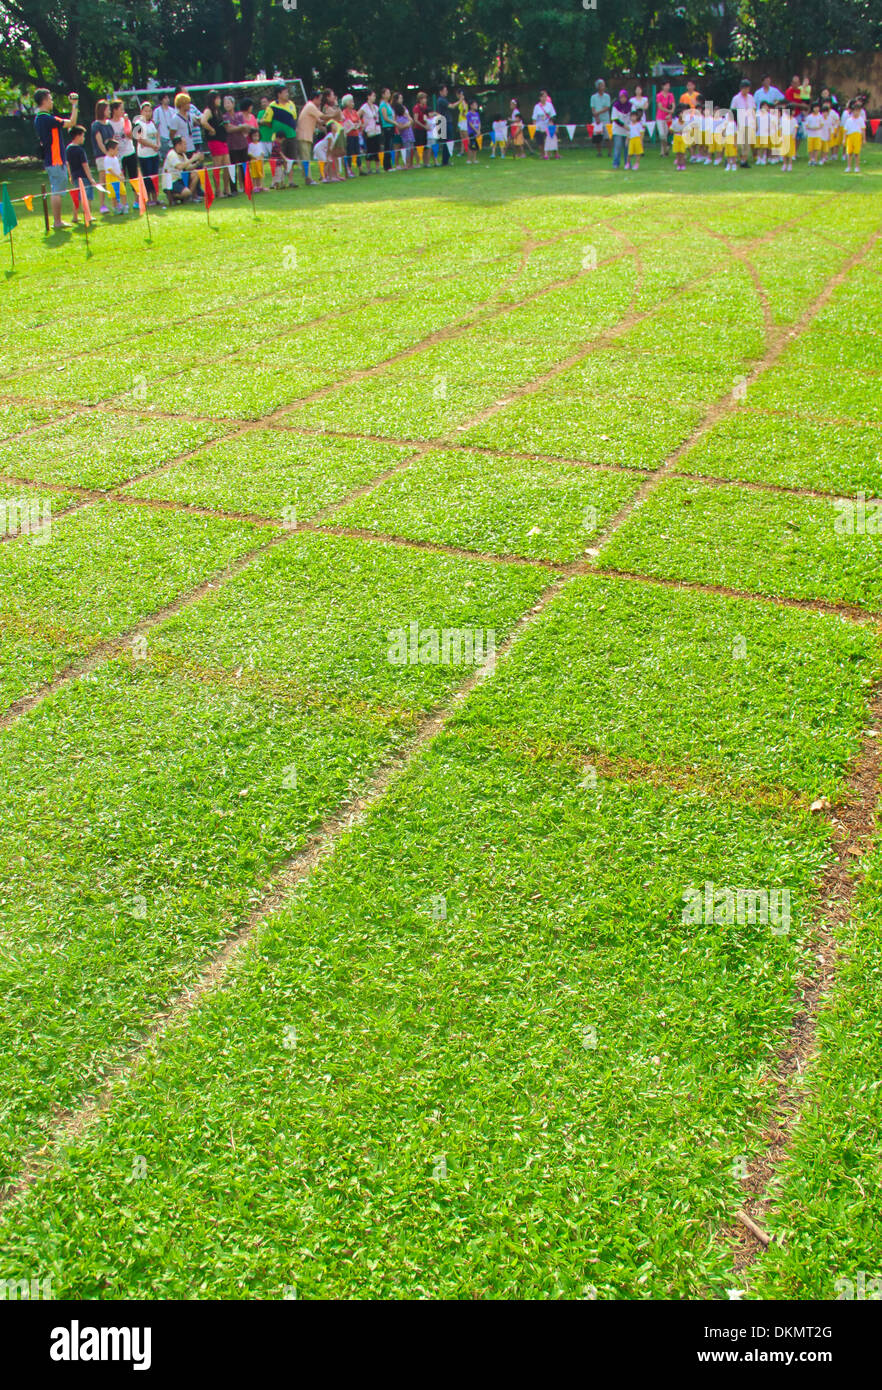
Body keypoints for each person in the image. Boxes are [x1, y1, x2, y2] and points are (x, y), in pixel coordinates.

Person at [34, 87, 79, 230]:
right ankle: (57, 222)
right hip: (55, 160)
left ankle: (57, 221)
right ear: (45, 100)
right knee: (57, 191)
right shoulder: (47, 119)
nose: (52, 101)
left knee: (57, 189)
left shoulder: (40, 119)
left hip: (53, 160)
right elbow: (72, 122)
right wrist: (74, 105)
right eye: (50, 99)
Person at [264, 85, 299, 186]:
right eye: (285, 92)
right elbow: (267, 121)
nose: (287, 94)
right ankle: (280, 181)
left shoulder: (291, 104)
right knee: (280, 160)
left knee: (291, 158)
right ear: (279, 94)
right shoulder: (272, 106)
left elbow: (294, 118)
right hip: (279, 139)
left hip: (291, 136)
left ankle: (291, 181)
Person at [200, 91, 230, 196]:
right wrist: (211, 129)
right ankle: (218, 190)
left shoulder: (218, 111)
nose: (219, 100)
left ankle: (227, 188)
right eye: (218, 98)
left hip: (223, 140)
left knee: (227, 165)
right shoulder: (208, 110)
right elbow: (203, 121)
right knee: (217, 166)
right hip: (214, 141)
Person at [65, 126, 96, 221]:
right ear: (77, 136)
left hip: (75, 176)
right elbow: (85, 165)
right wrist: (91, 178)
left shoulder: (68, 149)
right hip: (84, 177)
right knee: (87, 197)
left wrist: (70, 175)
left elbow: (67, 164)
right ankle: (88, 216)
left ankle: (75, 216)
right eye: (83, 136)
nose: (84, 138)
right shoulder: (80, 150)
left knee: (77, 197)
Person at [133, 100, 160, 204]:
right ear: (141, 112)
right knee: (147, 177)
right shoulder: (138, 123)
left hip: (154, 154)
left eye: (149, 111)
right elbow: (139, 139)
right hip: (145, 155)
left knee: (154, 176)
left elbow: (157, 134)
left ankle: (155, 198)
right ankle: (147, 198)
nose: (148, 113)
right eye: (146, 111)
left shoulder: (152, 123)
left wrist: (158, 144)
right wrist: (152, 145)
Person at [225, 95, 253, 193]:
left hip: (242, 144)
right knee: (233, 167)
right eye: (225, 103)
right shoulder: (225, 116)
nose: (226, 105)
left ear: (233, 104)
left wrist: (236, 127)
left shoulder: (239, 115)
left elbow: (246, 128)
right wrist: (240, 127)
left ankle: (247, 186)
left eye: (228, 102)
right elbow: (228, 129)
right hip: (231, 145)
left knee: (244, 166)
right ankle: (233, 189)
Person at [89, 98, 113, 214]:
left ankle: (116, 203)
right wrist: (107, 153)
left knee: (113, 178)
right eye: (108, 109)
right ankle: (102, 205)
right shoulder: (96, 125)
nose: (109, 111)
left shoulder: (109, 124)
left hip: (111, 156)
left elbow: (112, 140)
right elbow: (100, 142)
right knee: (103, 179)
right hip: (102, 156)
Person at [161, 133, 199, 204]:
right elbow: (180, 166)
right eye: (184, 144)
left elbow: (189, 167)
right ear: (178, 145)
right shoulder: (172, 154)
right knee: (187, 192)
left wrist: (198, 161)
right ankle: (172, 196)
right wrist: (193, 159)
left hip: (179, 179)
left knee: (195, 174)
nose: (186, 146)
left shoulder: (183, 154)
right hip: (171, 181)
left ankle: (187, 197)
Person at [295, 91, 324, 184]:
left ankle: (308, 178)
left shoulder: (311, 107)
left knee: (306, 157)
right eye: (320, 100)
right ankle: (308, 178)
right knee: (306, 157)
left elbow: (320, 122)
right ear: (315, 98)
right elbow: (323, 117)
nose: (320, 102)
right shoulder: (310, 106)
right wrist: (335, 116)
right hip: (303, 136)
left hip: (306, 136)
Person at [109, 99, 137, 182]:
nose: (123, 111)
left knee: (134, 180)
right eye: (121, 109)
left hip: (130, 152)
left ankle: (137, 195)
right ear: (114, 110)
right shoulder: (109, 123)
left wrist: (128, 129)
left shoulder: (126, 121)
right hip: (118, 155)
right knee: (121, 180)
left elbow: (131, 136)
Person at [730, 79, 755, 166]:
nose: (746, 90)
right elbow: (732, 111)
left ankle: (744, 160)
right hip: (740, 122)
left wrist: (755, 122)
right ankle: (739, 157)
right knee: (739, 143)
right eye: (745, 88)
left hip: (749, 122)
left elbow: (753, 110)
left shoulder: (751, 97)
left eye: (748, 88)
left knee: (747, 143)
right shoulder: (736, 98)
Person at [103, 138, 128, 212]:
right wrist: (118, 176)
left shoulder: (115, 158)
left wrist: (121, 175)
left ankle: (124, 206)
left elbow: (118, 169)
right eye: (116, 149)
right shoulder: (107, 159)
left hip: (118, 177)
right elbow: (110, 170)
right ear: (111, 149)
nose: (117, 151)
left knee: (123, 191)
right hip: (111, 178)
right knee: (113, 194)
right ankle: (115, 208)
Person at [359, 90, 382, 173]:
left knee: (377, 149)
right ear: (368, 97)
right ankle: (368, 168)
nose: (374, 97)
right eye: (373, 96)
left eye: (375, 96)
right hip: (369, 131)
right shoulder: (364, 107)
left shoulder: (376, 107)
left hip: (377, 130)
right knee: (369, 149)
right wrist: (362, 124)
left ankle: (377, 168)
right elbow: (358, 115)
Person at [154, 93, 176, 163]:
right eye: (165, 98)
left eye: (168, 98)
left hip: (172, 136)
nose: (167, 99)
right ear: (161, 100)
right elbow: (155, 125)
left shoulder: (172, 110)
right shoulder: (157, 111)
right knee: (166, 159)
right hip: (163, 137)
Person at [590, 80, 610, 155]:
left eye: (604, 85)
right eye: (601, 85)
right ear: (597, 87)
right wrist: (596, 116)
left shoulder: (607, 96)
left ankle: (609, 152)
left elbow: (607, 107)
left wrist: (598, 113)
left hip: (605, 119)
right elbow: (592, 107)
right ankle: (599, 152)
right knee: (597, 137)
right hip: (596, 119)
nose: (603, 87)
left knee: (608, 136)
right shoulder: (593, 97)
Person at [610, 90, 630, 169]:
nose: (623, 99)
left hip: (627, 130)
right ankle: (616, 163)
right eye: (621, 97)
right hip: (618, 129)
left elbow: (633, 115)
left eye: (624, 97)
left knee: (627, 147)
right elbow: (615, 118)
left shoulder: (630, 106)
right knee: (617, 146)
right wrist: (624, 125)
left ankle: (627, 163)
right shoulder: (616, 105)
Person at [532, 89, 555, 154]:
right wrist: (534, 127)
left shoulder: (550, 105)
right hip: (539, 127)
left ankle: (548, 153)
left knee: (548, 140)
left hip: (548, 126)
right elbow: (534, 118)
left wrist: (551, 122)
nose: (544, 98)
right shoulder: (537, 107)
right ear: (540, 97)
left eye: (545, 96)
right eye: (543, 96)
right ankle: (542, 154)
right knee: (540, 142)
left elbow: (553, 115)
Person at [842, 100, 863, 173]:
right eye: (854, 111)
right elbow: (845, 130)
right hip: (850, 137)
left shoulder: (861, 120)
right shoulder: (848, 120)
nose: (856, 113)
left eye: (857, 111)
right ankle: (848, 166)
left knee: (856, 153)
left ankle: (857, 167)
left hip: (857, 137)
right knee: (849, 153)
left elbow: (863, 129)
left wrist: (863, 139)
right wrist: (844, 139)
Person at [379, 87, 396, 170]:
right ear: (383, 94)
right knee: (387, 146)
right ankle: (387, 166)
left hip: (391, 127)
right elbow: (385, 117)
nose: (389, 94)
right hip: (387, 127)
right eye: (387, 93)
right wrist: (395, 123)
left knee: (391, 146)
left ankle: (389, 165)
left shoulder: (388, 104)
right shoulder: (382, 105)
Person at [655, 81, 674, 156]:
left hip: (668, 118)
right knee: (661, 134)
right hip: (660, 117)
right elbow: (660, 107)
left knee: (665, 134)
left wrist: (670, 113)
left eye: (668, 86)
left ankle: (663, 151)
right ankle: (666, 148)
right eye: (666, 85)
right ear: (663, 86)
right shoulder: (659, 95)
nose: (667, 87)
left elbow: (673, 105)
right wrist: (669, 111)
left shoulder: (670, 95)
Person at [395, 100, 415, 169]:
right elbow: (400, 127)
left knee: (411, 150)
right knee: (407, 151)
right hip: (405, 137)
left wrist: (408, 119)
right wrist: (407, 124)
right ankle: (407, 164)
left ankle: (411, 164)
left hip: (411, 135)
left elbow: (412, 121)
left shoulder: (406, 116)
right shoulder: (398, 119)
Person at [436, 85, 452, 166]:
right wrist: (460, 100)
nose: (447, 92)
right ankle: (445, 161)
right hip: (444, 122)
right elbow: (451, 106)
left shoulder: (444, 99)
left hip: (446, 122)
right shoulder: (441, 100)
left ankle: (446, 160)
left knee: (449, 141)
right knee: (447, 141)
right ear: (441, 91)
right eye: (445, 90)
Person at [625, 107, 644, 171]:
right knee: (629, 153)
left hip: (637, 139)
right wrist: (627, 140)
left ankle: (636, 164)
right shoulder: (629, 125)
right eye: (632, 116)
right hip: (631, 140)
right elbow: (628, 133)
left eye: (634, 116)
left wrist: (641, 141)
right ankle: (627, 163)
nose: (633, 118)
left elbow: (641, 133)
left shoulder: (639, 124)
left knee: (638, 153)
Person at [412, 92, 429, 165]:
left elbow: (426, 117)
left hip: (425, 129)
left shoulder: (425, 107)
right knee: (418, 146)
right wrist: (423, 126)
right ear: (420, 99)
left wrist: (427, 125)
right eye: (424, 98)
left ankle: (425, 162)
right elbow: (415, 120)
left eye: (426, 98)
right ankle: (418, 163)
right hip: (418, 129)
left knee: (425, 146)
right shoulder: (416, 107)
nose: (425, 100)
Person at [670, 106, 687, 171]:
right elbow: (671, 130)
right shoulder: (675, 122)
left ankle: (683, 164)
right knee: (678, 152)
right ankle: (678, 165)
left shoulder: (686, 122)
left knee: (682, 152)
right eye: (681, 113)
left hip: (683, 137)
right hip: (676, 137)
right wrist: (677, 132)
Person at [465, 100, 481, 164]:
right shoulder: (469, 114)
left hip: (477, 132)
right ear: (471, 106)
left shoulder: (477, 114)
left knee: (476, 146)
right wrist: (476, 130)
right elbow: (470, 123)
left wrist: (479, 130)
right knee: (471, 145)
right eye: (474, 105)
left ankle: (474, 159)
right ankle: (469, 159)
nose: (476, 106)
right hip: (471, 132)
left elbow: (479, 122)